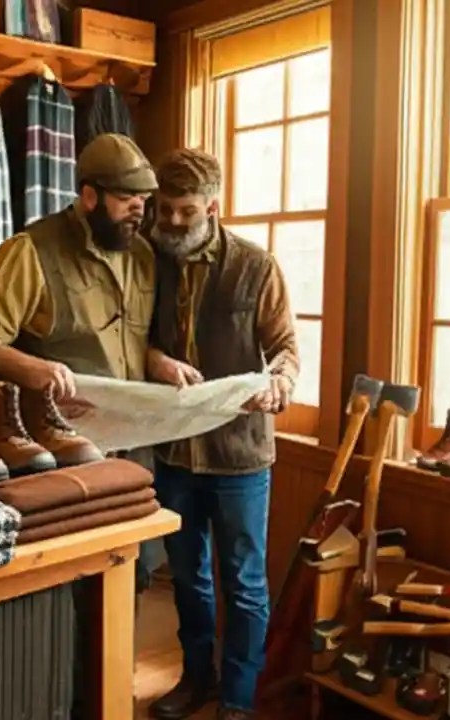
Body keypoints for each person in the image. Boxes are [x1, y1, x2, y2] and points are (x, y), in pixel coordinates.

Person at [0, 132, 166, 590]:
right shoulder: (31, 251)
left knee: (130, 578)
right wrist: (35, 370)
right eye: (127, 198)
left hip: (132, 449)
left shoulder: (144, 256)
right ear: (89, 196)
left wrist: (158, 360)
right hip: (63, 453)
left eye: (144, 201)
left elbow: (130, 337)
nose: (139, 211)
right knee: (69, 586)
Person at [144, 148, 299, 720]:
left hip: (241, 454)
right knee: (186, 577)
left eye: (185, 211)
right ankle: (195, 681)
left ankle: (238, 700)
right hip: (174, 450)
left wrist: (279, 383)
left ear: (213, 206)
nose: (173, 223)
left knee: (245, 585)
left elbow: (285, 350)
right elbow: (132, 337)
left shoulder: (257, 267)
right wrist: (155, 358)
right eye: (165, 210)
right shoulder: (147, 261)